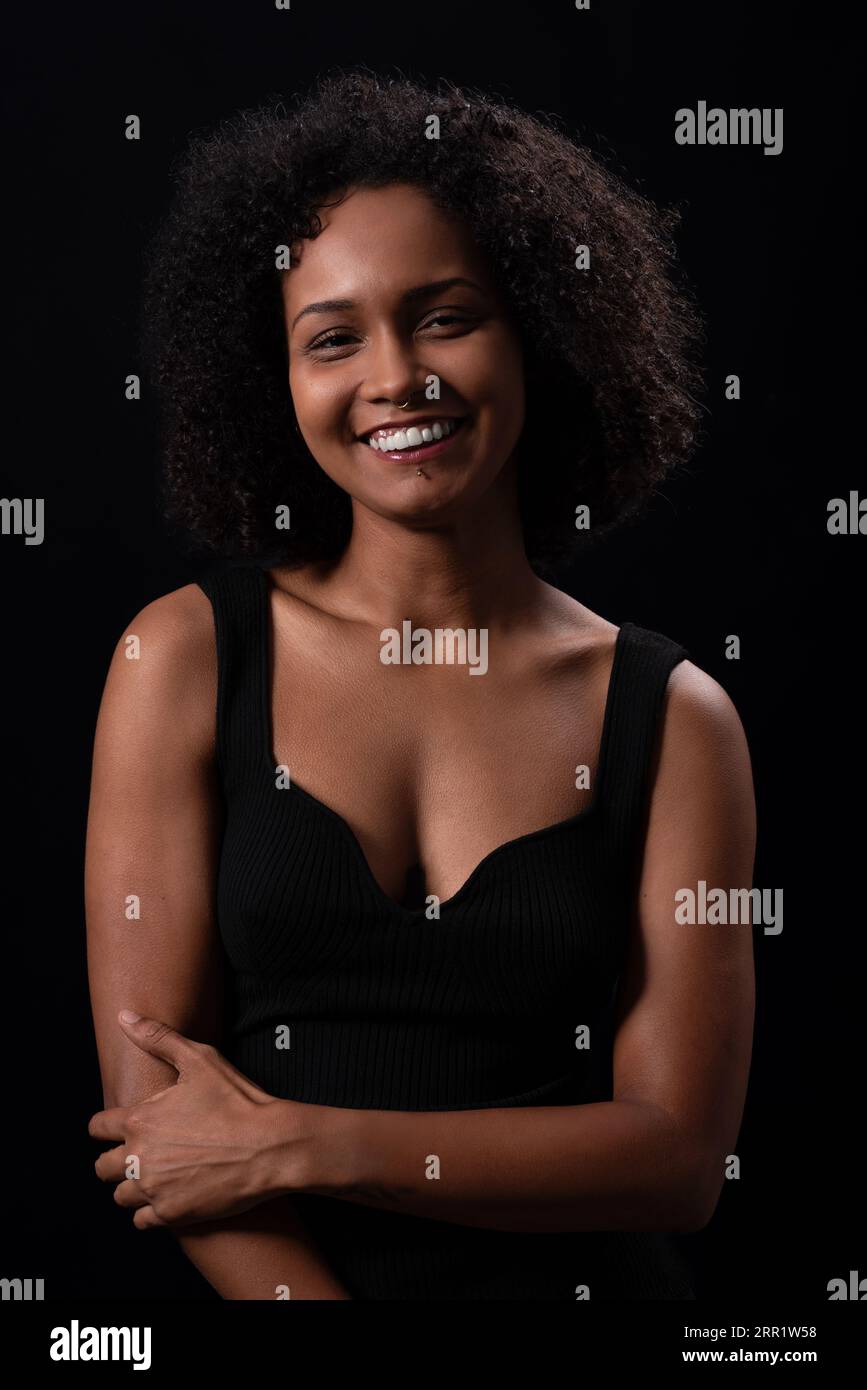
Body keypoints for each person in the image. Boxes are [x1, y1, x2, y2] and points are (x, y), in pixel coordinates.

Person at [85, 68, 756, 1300]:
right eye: (333, 337)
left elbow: (680, 1158)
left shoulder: (675, 717)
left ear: (540, 331)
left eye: (446, 316)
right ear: (275, 382)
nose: (397, 376)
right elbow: (158, 1134)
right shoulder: (180, 659)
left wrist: (311, 1140)